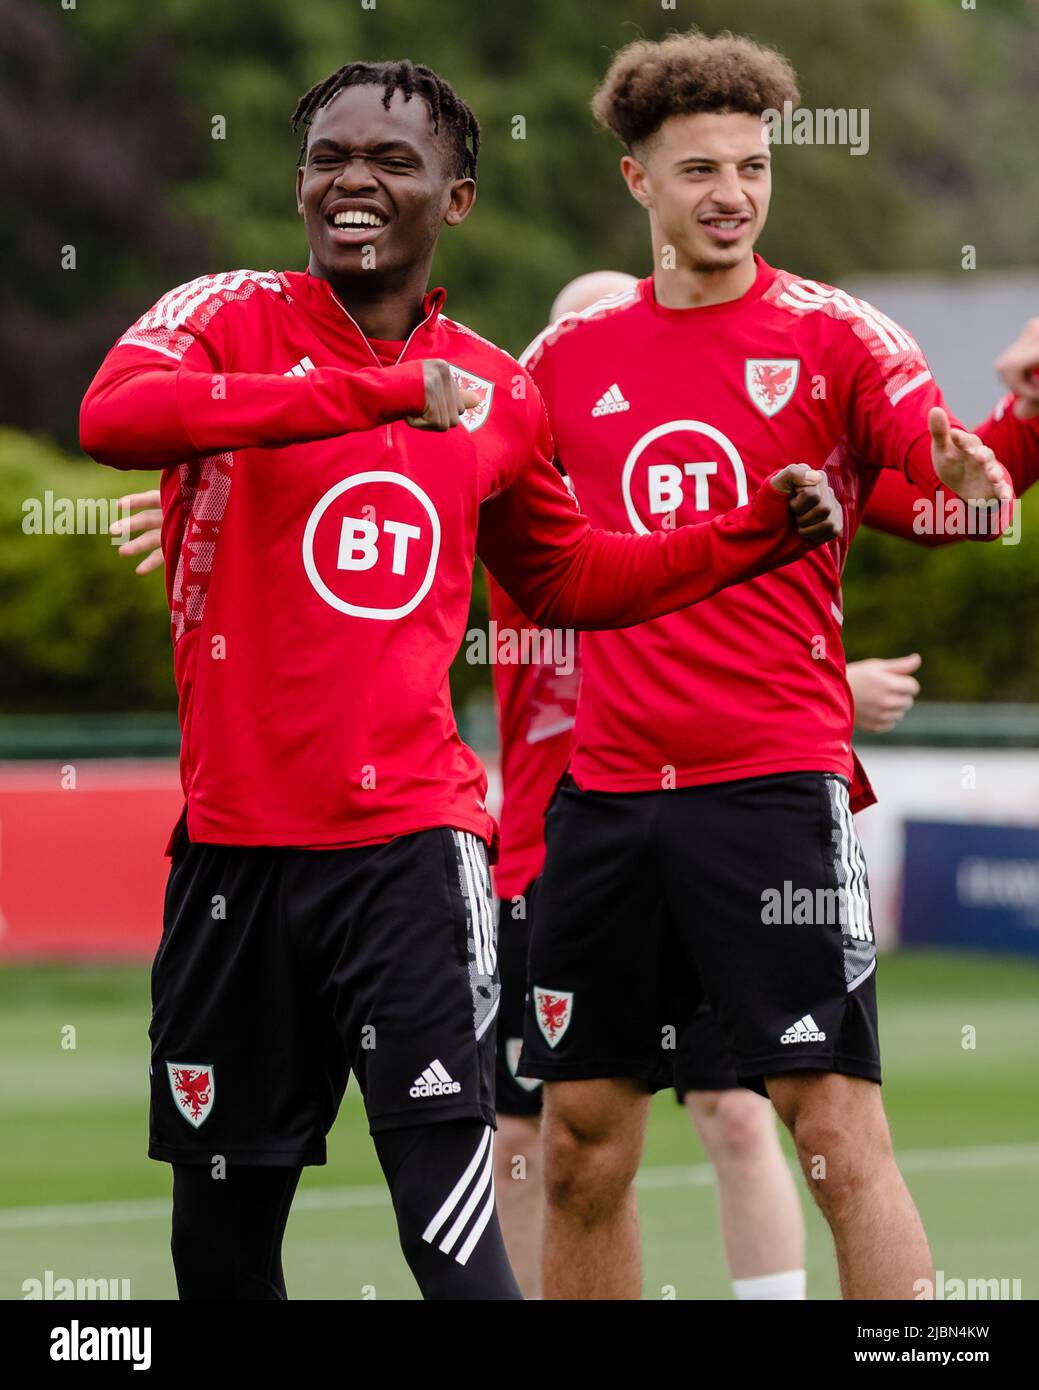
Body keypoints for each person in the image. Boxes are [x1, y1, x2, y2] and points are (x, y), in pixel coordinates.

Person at [82, 58, 841, 1302]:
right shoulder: (220, 310)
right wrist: (372, 393)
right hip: (230, 862)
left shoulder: (499, 387)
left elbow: (570, 579)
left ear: (460, 196)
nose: (353, 183)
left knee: (453, 1245)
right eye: (329, 158)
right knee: (214, 1255)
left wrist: (754, 534)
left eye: (393, 161)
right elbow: (115, 416)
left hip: (410, 853)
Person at [513, 30, 1013, 1301]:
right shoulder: (567, 363)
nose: (731, 192)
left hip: (769, 786)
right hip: (608, 798)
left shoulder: (834, 332)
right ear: (638, 183)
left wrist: (962, 458)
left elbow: (916, 438)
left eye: (751, 164)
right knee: (577, 1142)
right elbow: (447, 484)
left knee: (832, 1128)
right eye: (699, 169)